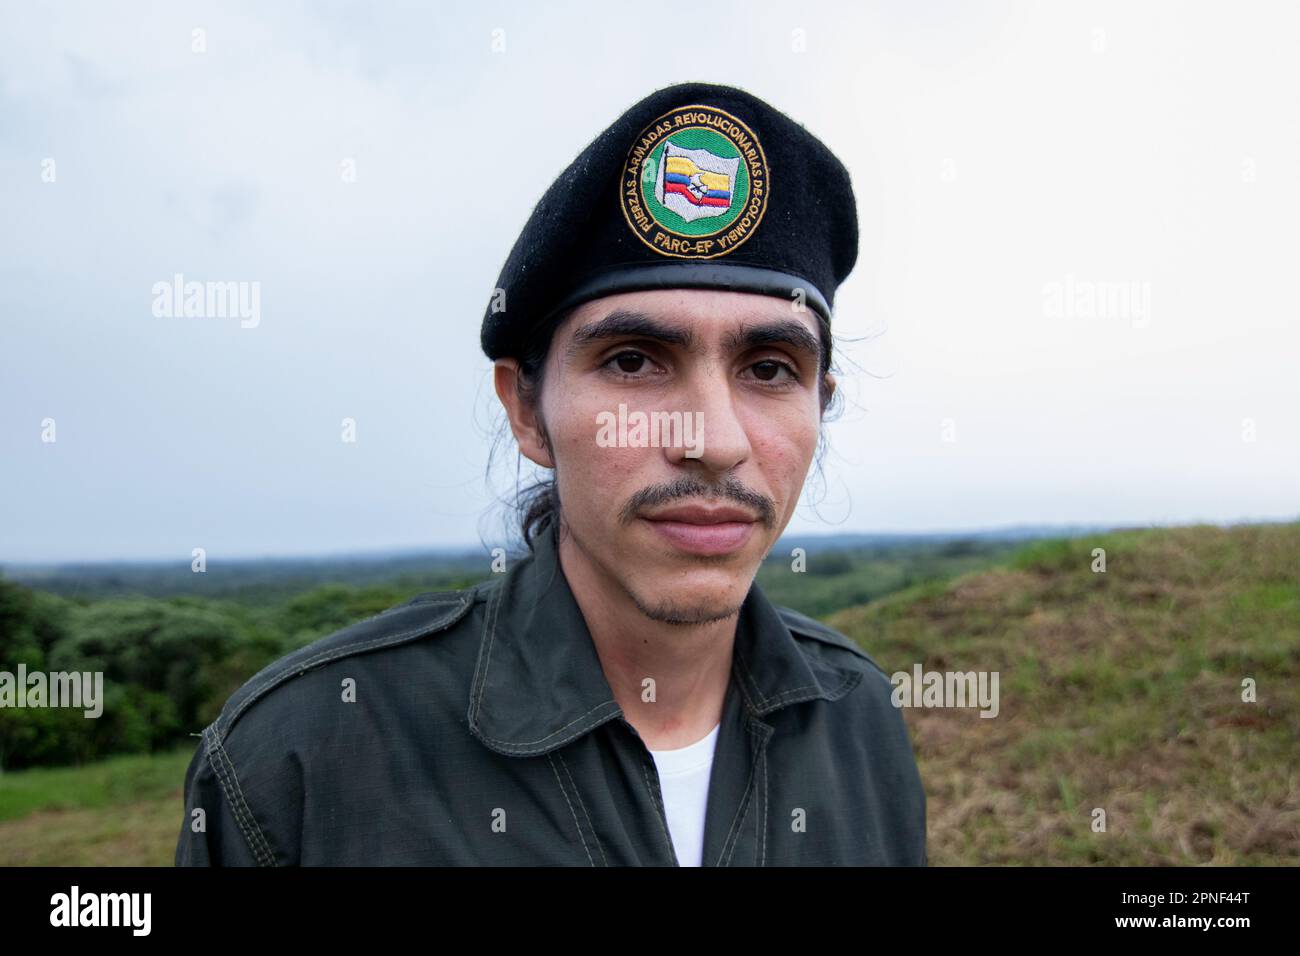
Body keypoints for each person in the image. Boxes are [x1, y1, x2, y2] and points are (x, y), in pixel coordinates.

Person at [175, 81, 926, 866]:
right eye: (634, 361)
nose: (711, 439)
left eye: (770, 368)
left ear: (820, 404)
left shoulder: (859, 716)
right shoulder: (300, 760)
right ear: (527, 411)